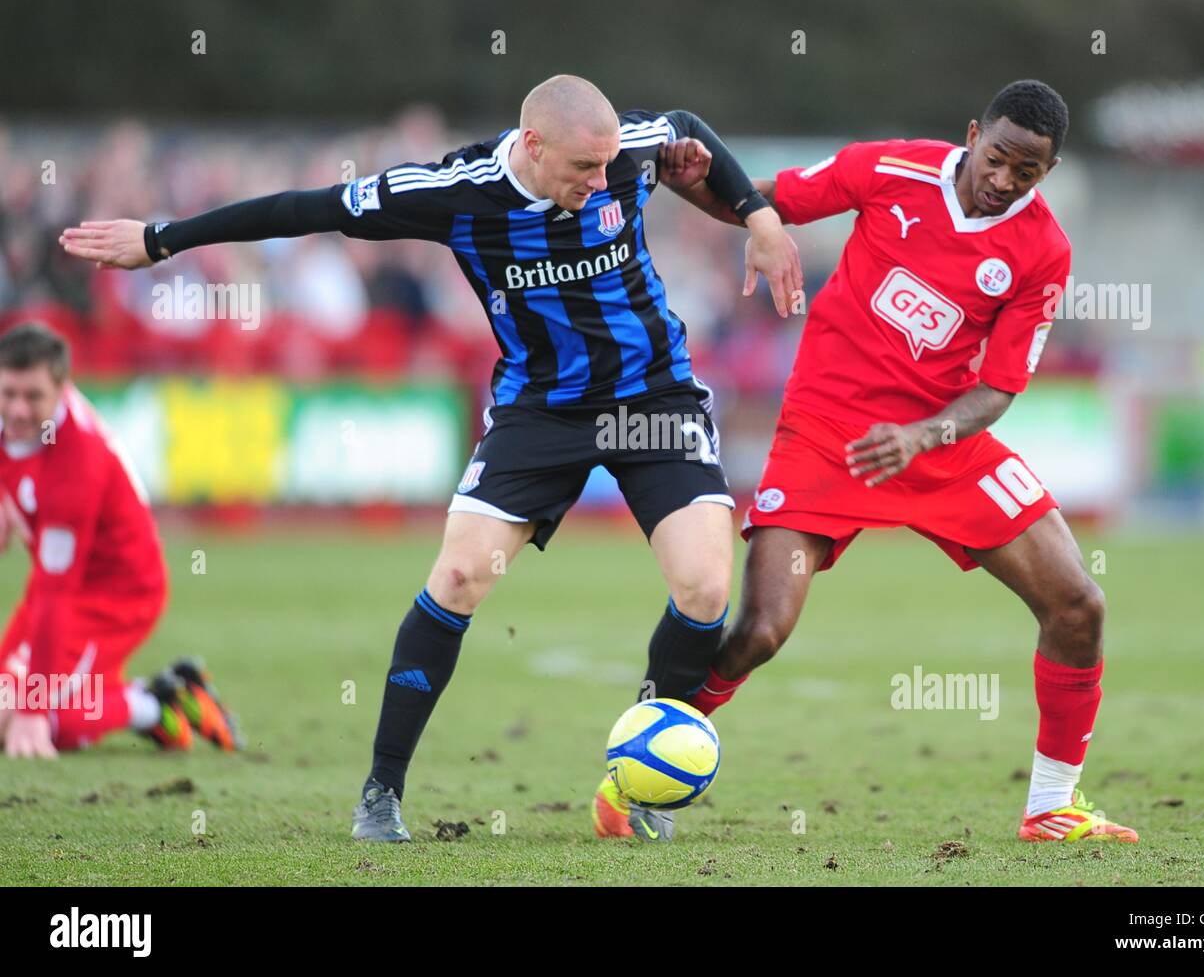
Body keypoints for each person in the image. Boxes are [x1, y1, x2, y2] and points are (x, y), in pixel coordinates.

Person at [61, 74, 802, 842]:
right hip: (540, 408)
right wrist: (160, 239)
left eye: (606, 167)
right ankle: (381, 793)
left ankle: (636, 784)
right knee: (457, 577)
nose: (599, 181)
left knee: (707, 589)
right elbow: (304, 207)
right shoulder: (451, 191)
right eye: (584, 170)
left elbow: (688, 130)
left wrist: (761, 219)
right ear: (535, 146)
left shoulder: (625, 152)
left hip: (653, 396)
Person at [674, 79, 1138, 843]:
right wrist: (682, 173)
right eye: (998, 159)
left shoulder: (1043, 250)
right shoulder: (890, 170)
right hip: (826, 436)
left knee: (1079, 606)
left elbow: (998, 389)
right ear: (972, 135)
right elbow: (757, 201)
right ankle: (648, 759)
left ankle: (1051, 804)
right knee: (760, 630)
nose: (1004, 182)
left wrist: (926, 435)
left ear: (1046, 173)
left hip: (942, 445)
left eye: (1027, 171)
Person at [0, 322, 241, 757]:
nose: (17, 410)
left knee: (46, 723)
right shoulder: (16, 422)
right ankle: (107, 693)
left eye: (32, 396)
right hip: (57, 583)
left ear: (61, 388)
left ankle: (157, 703)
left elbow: (57, 591)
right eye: (9, 394)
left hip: (116, 595)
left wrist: (35, 708)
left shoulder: (75, 459)